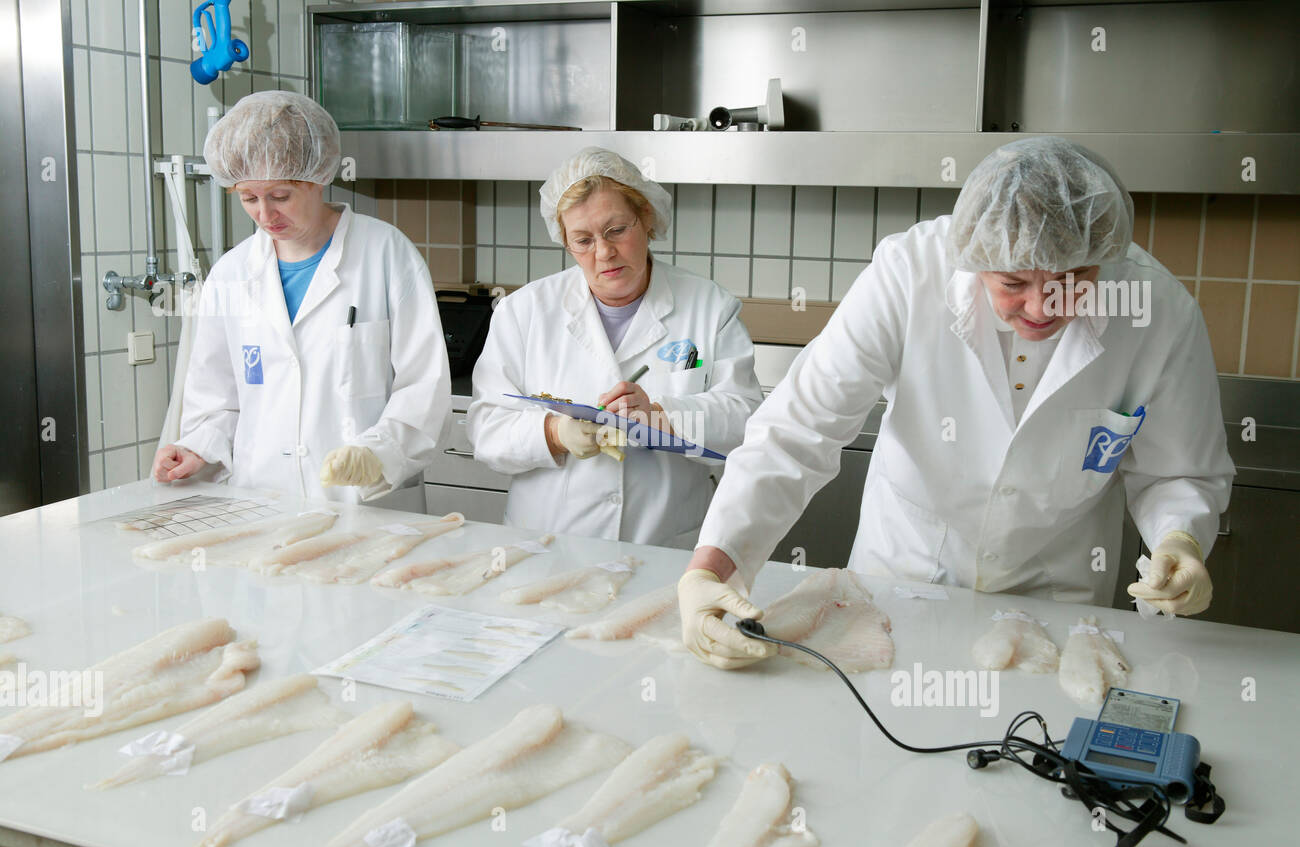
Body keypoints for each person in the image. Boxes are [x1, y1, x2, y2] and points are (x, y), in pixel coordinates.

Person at [678, 137, 1235, 669]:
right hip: (902, 579)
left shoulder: (1157, 308)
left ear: (1102, 256)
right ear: (974, 257)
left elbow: (1178, 472)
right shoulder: (909, 274)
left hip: (1056, 600)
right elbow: (797, 432)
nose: (1042, 307)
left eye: (1071, 279)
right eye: (1013, 282)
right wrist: (713, 568)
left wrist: (1180, 538)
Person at [151, 91, 452, 513]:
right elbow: (215, 400)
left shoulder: (386, 254)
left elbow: (424, 387)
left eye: (280, 196)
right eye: (248, 198)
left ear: (317, 177)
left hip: (365, 506)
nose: (264, 215)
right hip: (261, 504)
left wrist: (377, 455)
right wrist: (196, 449)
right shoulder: (231, 274)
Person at [467, 147, 763, 547]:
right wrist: (555, 432)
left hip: (663, 544)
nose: (604, 253)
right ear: (566, 242)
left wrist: (662, 418)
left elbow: (746, 418)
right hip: (546, 544)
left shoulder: (710, 308)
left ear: (646, 218)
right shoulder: (523, 312)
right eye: (583, 240)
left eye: (617, 230)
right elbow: (487, 428)